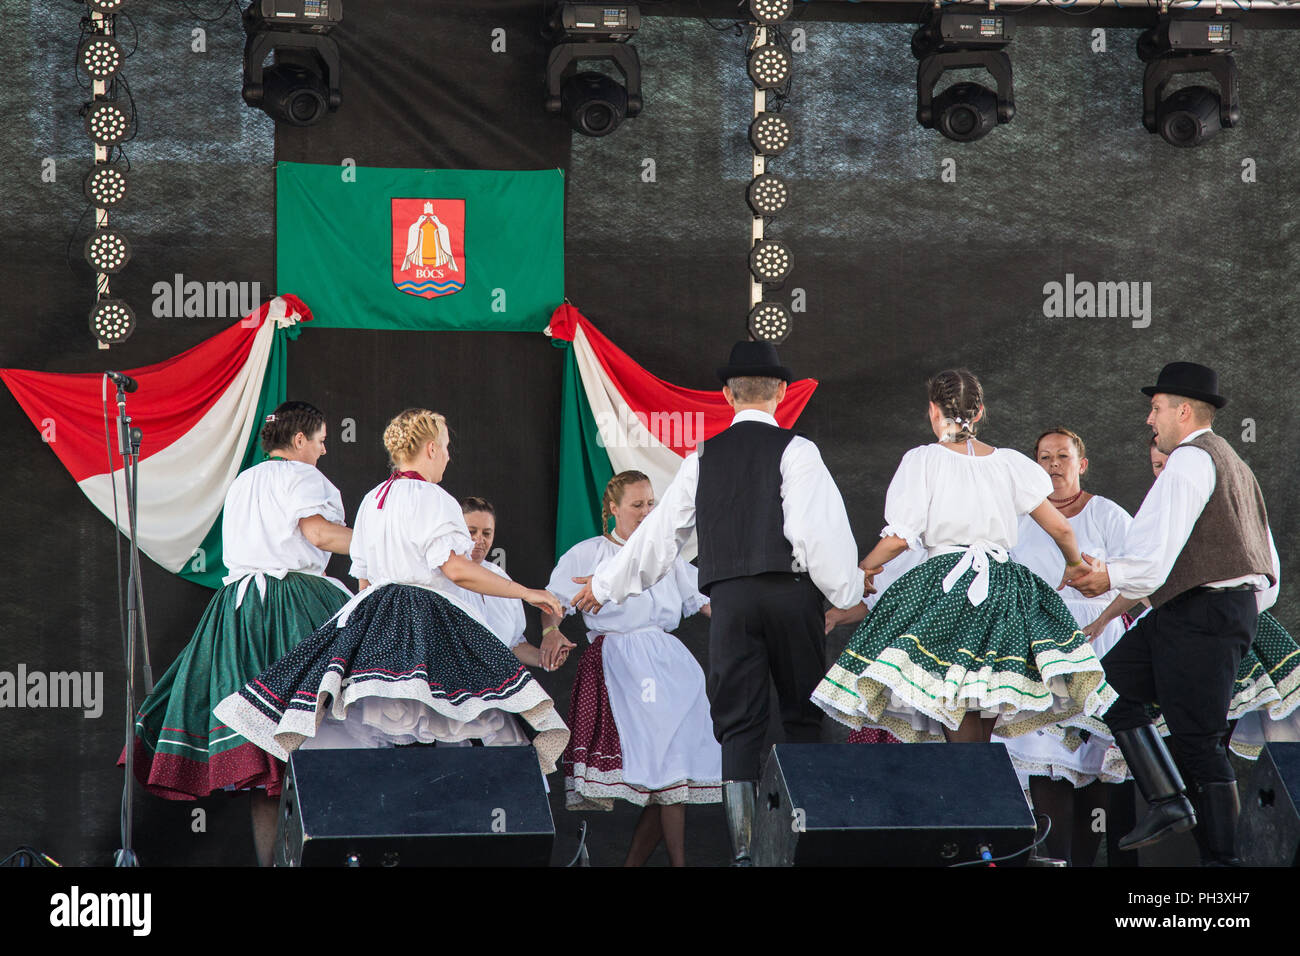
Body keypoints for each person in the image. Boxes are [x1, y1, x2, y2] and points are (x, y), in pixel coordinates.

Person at [569, 341, 865, 866]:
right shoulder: (798, 450)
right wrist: (844, 592)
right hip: (790, 592)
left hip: (730, 600)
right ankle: (802, 845)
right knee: (800, 713)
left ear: (727, 395)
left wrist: (606, 585)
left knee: (738, 724)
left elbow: (658, 540)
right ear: (780, 393)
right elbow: (816, 534)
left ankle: (748, 850)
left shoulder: (701, 458)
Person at [214, 408, 569, 774]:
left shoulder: (372, 498)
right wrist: (525, 592)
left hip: (375, 614)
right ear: (431, 449)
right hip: (425, 615)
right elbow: (458, 570)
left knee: (379, 728)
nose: (449, 455)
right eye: (446, 447)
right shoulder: (435, 498)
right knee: (452, 722)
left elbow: (363, 580)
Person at [811, 370, 1108, 749]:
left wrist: (863, 569)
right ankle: (979, 791)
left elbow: (901, 538)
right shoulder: (1010, 464)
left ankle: (973, 795)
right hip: (1004, 590)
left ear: (933, 411)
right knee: (979, 706)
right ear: (980, 411)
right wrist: (1073, 563)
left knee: (960, 707)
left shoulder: (924, 460)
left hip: (947, 589)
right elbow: (1063, 530)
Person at [124, 401, 354, 866]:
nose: (325, 449)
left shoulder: (244, 481)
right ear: (298, 441)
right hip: (294, 606)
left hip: (238, 613)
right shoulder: (304, 477)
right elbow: (319, 534)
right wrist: (383, 538)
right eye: (321, 440)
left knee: (266, 750)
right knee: (319, 738)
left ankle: (274, 863)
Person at [1067, 363, 1280, 866]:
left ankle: (1222, 865)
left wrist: (1108, 576)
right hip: (1199, 610)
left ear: (1183, 411)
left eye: (1156, 408)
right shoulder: (1235, 464)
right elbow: (1267, 564)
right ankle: (1167, 800)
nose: (1149, 419)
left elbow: (1150, 557)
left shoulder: (1188, 461)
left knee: (1199, 743)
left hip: (1203, 614)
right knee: (1108, 686)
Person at [545, 471, 719, 867]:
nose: (646, 512)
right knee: (666, 776)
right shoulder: (588, 553)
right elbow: (552, 602)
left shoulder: (665, 556)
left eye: (651, 504)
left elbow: (706, 602)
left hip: (671, 667)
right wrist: (552, 631)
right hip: (622, 666)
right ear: (613, 508)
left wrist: (753, 622)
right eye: (636, 505)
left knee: (670, 776)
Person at [1003, 427, 1135, 865]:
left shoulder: (1106, 514)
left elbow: (1145, 577)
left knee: (1094, 761)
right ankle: (1054, 862)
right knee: (1044, 759)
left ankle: (1081, 862)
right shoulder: (1018, 519)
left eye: (1063, 456)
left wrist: (1105, 600)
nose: (1053, 464)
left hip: (1099, 643)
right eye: (1044, 457)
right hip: (1038, 652)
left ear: (1081, 464)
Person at [450, 496, 548, 671]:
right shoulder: (443, 578)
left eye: (486, 533)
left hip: (496, 687)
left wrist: (546, 658)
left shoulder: (499, 575)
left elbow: (513, 645)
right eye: (471, 531)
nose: (479, 540)